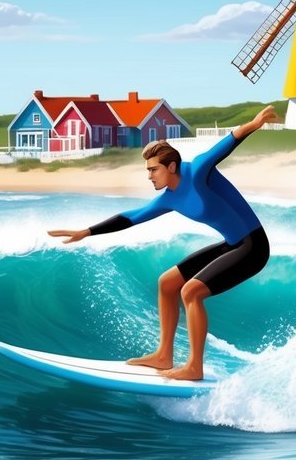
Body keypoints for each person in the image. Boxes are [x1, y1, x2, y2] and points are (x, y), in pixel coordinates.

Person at [48, 104, 276, 380]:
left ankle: (194, 367)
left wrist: (255, 123)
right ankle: (163, 355)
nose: (149, 176)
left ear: (171, 166)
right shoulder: (169, 197)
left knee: (191, 292)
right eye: (147, 170)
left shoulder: (198, 171)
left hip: (253, 247)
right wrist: (86, 231)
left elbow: (227, 144)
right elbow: (132, 217)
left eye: (153, 169)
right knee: (168, 283)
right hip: (232, 243)